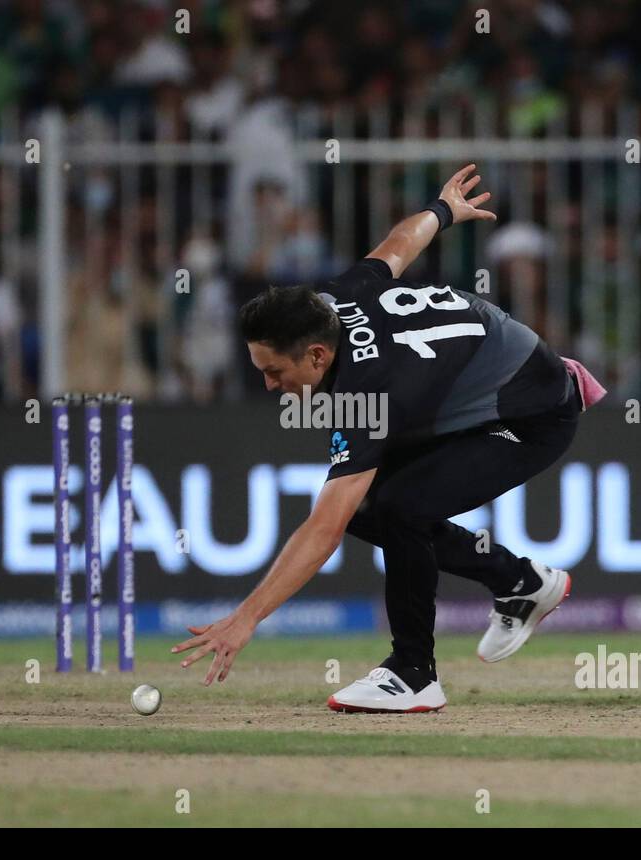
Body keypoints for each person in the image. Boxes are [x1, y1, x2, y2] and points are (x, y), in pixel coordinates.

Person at [172, 165, 605, 712]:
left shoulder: (367, 392)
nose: (269, 385)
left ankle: (414, 673)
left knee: (397, 508)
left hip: (533, 414)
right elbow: (398, 245)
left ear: (316, 355)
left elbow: (322, 529)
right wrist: (443, 210)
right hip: (481, 390)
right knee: (370, 509)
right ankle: (520, 583)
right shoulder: (331, 300)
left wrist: (245, 618)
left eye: (275, 371)